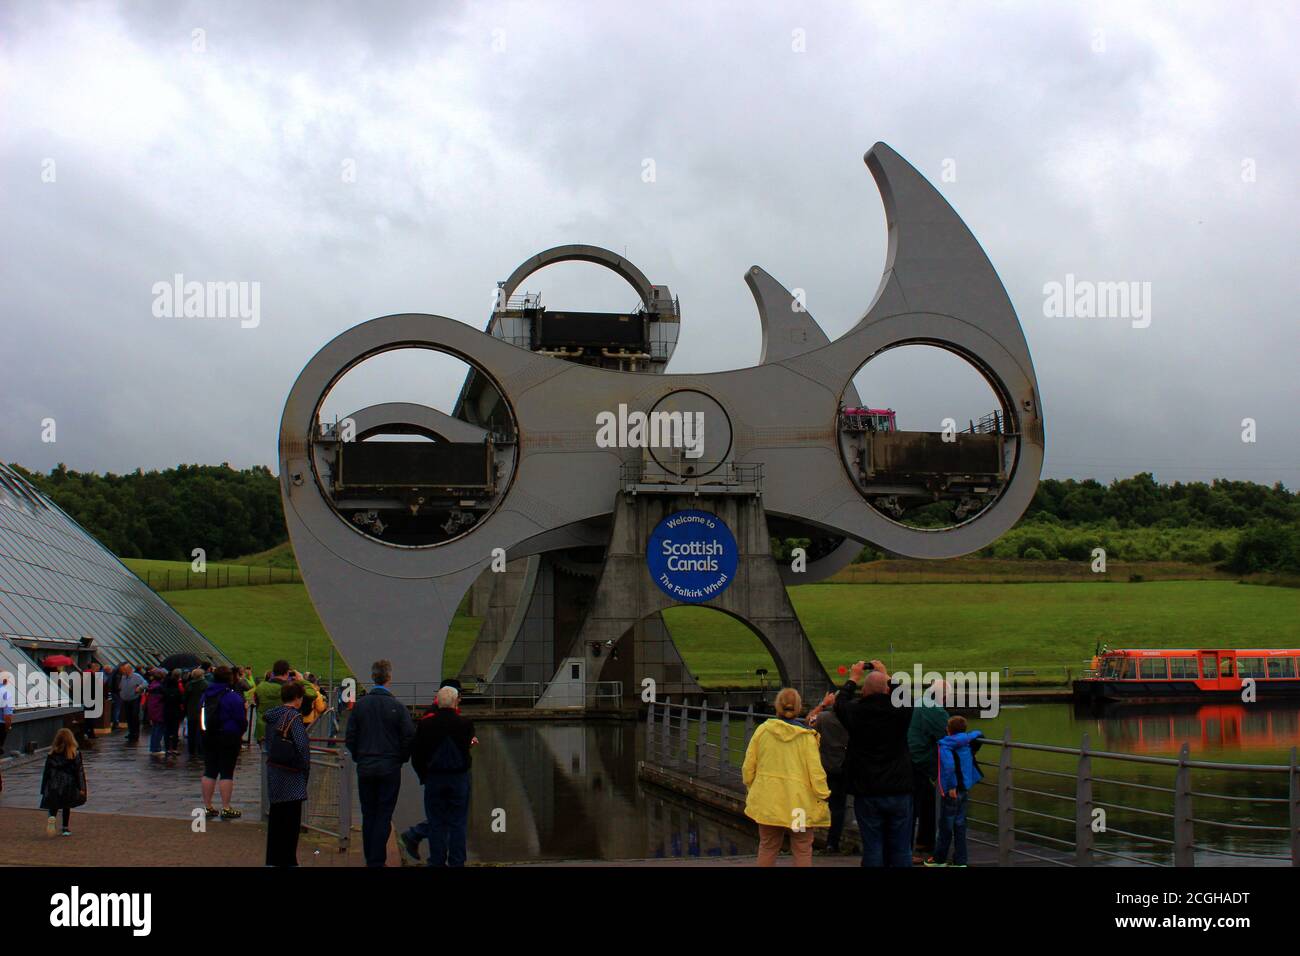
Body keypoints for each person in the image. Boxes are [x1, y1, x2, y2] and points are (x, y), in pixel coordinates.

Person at [834, 659, 915, 867]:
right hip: (898, 788)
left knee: (873, 846)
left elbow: (840, 703)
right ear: (887, 690)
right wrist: (887, 675)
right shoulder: (900, 712)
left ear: (865, 692)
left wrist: (853, 677)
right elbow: (907, 698)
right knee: (901, 847)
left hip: (867, 789)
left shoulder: (856, 713)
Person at [741, 688, 831, 867]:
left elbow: (748, 767)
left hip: (769, 800)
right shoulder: (806, 737)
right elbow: (816, 772)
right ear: (798, 708)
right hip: (799, 803)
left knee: (768, 846)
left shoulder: (763, 731)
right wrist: (823, 794)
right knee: (802, 847)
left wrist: (753, 787)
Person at [345, 659, 415, 867]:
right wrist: (399, 758)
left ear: (373, 677)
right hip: (389, 767)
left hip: (366, 765)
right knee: (384, 813)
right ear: (389, 678)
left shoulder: (360, 706)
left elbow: (350, 737)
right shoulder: (397, 707)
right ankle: (377, 860)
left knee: (369, 813)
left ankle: (372, 858)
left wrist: (360, 756)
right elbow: (409, 737)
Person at [407, 684, 477, 867]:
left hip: (434, 779)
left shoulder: (425, 724)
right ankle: (457, 862)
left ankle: (436, 861)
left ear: (438, 702)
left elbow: (417, 754)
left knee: (436, 822)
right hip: (458, 779)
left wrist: (424, 775)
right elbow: (467, 749)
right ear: (455, 702)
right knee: (458, 823)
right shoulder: (466, 724)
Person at [263, 681, 311, 866]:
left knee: (276, 820)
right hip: (291, 775)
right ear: (298, 699)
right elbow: (302, 748)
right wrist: (305, 773)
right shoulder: (293, 718)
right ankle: (289, 860)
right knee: (291, 823)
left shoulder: (272, 716)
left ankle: (272, 860)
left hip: (275, 771)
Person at [927, 716, 984, 868]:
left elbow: (949, 767)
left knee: (945, 825)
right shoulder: (967, 742)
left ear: (948, 729)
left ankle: (939, 859)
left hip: (952, 791)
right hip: (964, 788)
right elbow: (979, 733)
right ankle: (960, 861)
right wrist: (971, 734)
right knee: (960, 825)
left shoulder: (945, 745)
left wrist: (951, 786)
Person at [907, 679, 949, 859]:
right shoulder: (935, 710)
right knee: (920, 806)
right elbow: (947, 736)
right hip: (920, 764)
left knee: (920, 805)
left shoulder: (918, 704)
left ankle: (920, 842)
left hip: (908, 761)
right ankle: (916, 848)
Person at [200, 667, 249, 819]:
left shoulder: (206, 695)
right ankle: (226, 807)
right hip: (228, 736)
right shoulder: (232, 697)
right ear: (230, 679)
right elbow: (241, 719)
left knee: (209, 771)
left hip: (209, 735)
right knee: (227, 772)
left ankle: (207, 806)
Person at [806, 690, 849, 853]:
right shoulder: (851, 720)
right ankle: (833, 842)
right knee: (839, 807)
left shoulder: (824, 718)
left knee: (818, 802)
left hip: (824, 767)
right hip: (843, 767)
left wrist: (822, 705)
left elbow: (808, 721)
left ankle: (808, 838)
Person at [254, 660, 319, 741]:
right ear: (287, 673)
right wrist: (301, 680)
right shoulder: (289, 688)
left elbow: (257, 702)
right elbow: (312, 693)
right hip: (283, 731)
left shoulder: (260, 687)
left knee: (266, 752)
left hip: (263, 729)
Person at [40, 728, 87, 836]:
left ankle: (52, 819)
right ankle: (65, 828)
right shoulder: (75, 754)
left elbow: (46, 772)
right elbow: (79, 772)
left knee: (54, 804)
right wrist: (81, 788)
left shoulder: (52, 754)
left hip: (53, 781)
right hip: (68, 783)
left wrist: (43, 788)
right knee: (67, 805)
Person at [117, 663, 146, 744]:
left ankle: (135, 733)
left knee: (134, 716)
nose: (122, 671)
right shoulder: (123, 677)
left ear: (128, 670)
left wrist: (139, 688)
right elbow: (121, 686)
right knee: (128, 716)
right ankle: (131, 732)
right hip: (126, 700)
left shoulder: (137, 676)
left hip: (134, 699)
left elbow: (145, 683)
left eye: (124, 670)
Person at [184, 668, 207, 757]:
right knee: (201, 730)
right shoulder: (205, 684)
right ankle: (200, 750)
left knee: (191, 731)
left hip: (191, 710)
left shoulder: (189, 685)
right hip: (201, 710)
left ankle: (191, 750)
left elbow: (185, 698)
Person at [145, 670, 168, 756]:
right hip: (159, 710)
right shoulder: (160, 688)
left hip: (153, 710)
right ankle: (156, 748)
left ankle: (153, 747)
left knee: (155, 729)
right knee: (159, 730)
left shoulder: (152, 686)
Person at [163, 668, 185, 755]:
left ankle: (167, 748)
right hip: (176, 711)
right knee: (175, 730)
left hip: (167, 711)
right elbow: (181, 701)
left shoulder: (165, 691)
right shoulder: (178, 691)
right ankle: (174, 748)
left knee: (167, 730)